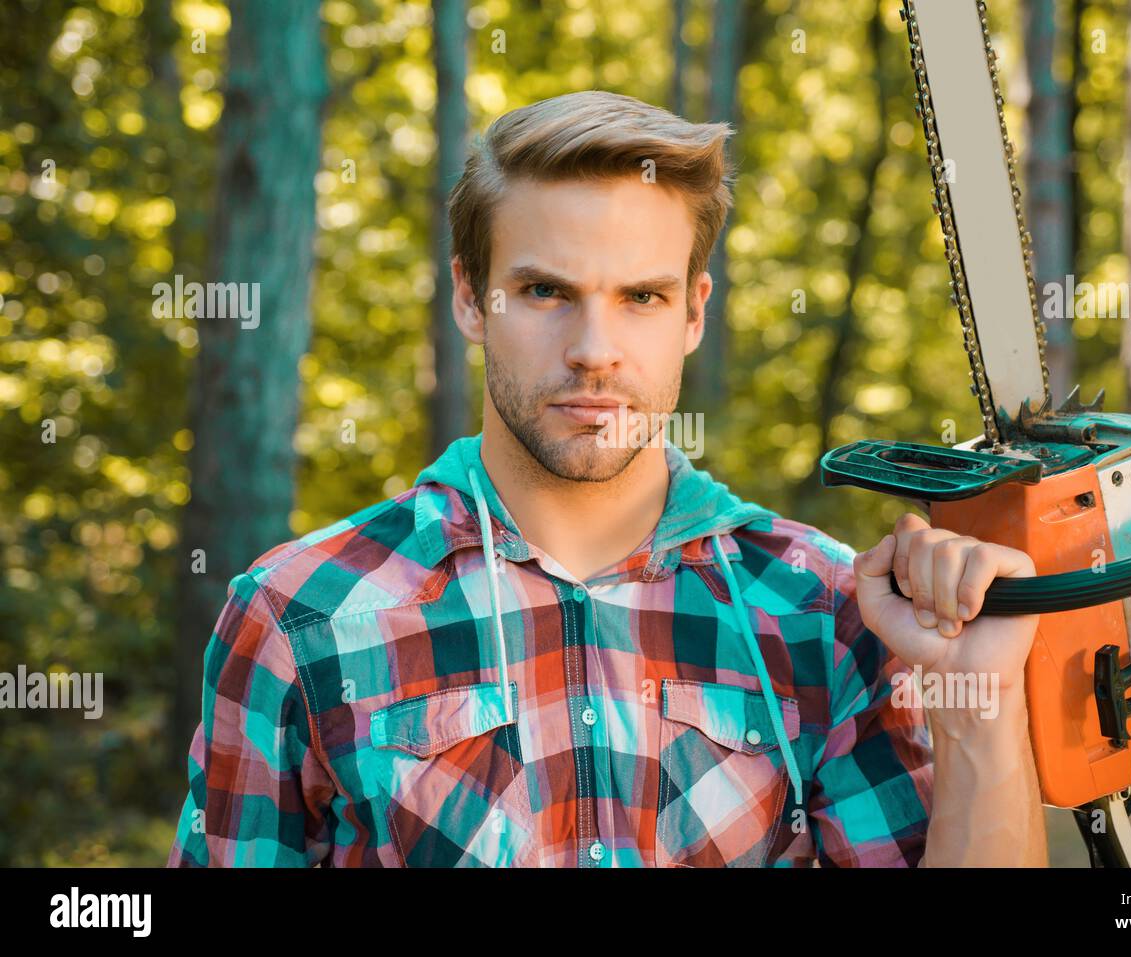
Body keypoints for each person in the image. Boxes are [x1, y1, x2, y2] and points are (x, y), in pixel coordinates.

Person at [167, 90, 1047, 867]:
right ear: (471, 299)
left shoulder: (820, 608)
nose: (594, 351)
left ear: (695, 311)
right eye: (547, 292)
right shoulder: (299, 615)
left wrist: (980, 700)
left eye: (642, 296)